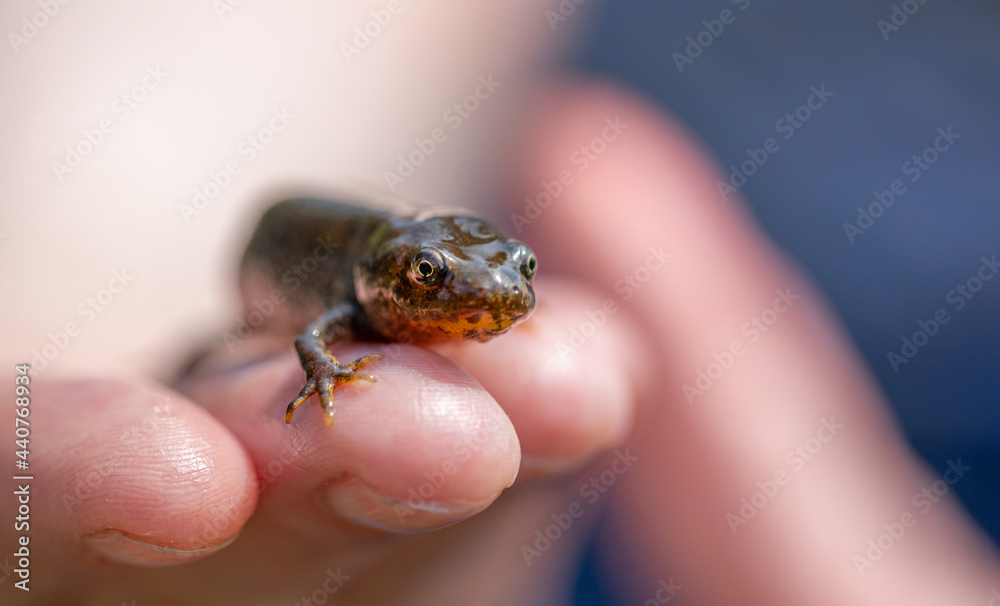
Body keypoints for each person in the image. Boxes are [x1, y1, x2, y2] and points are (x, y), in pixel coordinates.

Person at [5, 80, 998, 605]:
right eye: (442, 289)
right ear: (397, 284)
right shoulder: (353, 301)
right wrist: (326, 374)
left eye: (512, 282)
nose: (492, 300)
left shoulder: (465, 276)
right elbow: (315, 330)